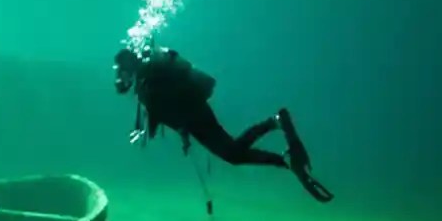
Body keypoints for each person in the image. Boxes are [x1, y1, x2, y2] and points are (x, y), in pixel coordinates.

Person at [113, 45, 333, 202]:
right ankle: (280, 144)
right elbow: (168, 108)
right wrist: (184, 134)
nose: (121, 76)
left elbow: (161, 112)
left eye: (120, 70)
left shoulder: (144, 84)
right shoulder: (149, 75)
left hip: (194, 117)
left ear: (127, 66)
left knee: (233, 154)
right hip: (196, 112)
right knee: (233, 154)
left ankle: (276, 128)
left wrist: (178, 130)